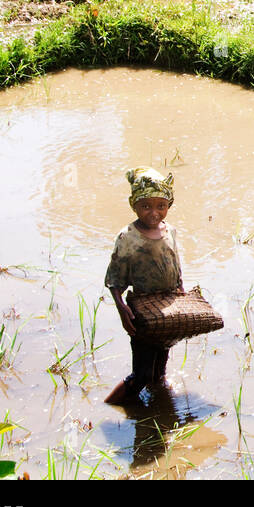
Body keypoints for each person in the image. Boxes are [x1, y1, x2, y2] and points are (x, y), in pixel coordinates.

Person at [104, 167, 184, 405]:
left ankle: (153, 411)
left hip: (167, 311)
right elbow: (115, 278)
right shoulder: (128, 237)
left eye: (161, 205)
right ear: (134, 205)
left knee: (160, 366)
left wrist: (182, 292)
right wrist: (121, 307)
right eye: (146, 205)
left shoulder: (170, 231)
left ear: (169, 205)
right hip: (143, 314)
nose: (154, 212)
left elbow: (176, 267)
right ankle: (111, 407)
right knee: (141, 373)